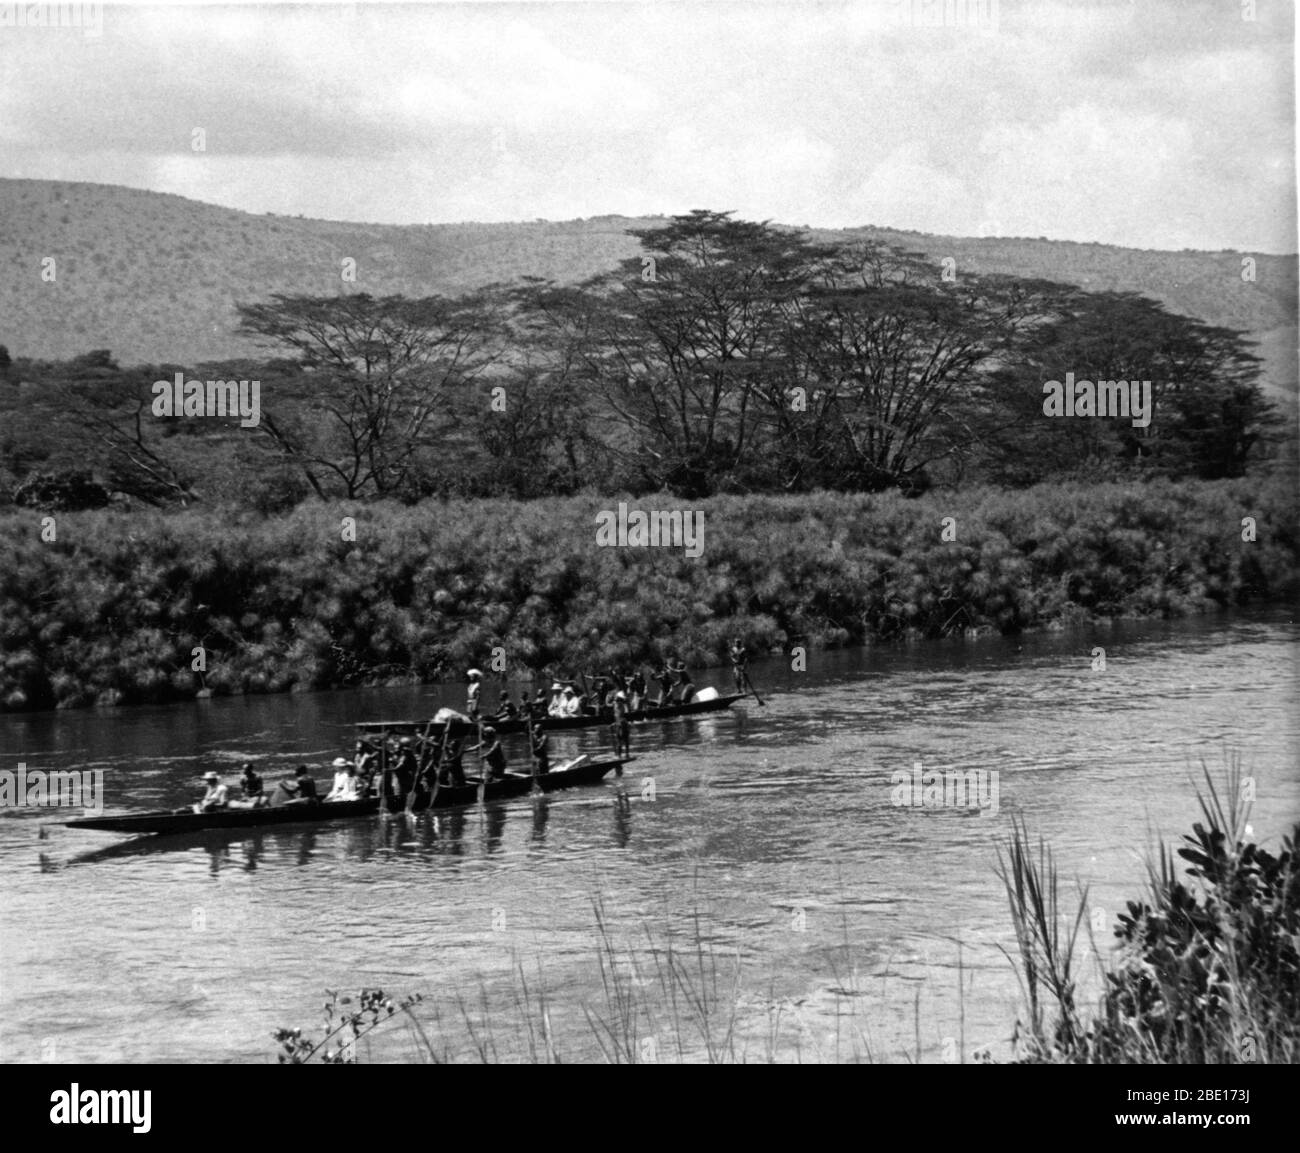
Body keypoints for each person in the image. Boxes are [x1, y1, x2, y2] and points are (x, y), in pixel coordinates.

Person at [611, 690, 631, 758]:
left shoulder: (619, 705)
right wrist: (617, 723)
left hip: (621, 724)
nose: (616, 701)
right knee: (621, 741)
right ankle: (620, 755)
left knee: (623, 740)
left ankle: (625, 754)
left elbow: (619, 715)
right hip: (619, 724)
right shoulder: (617, 705)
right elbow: (617, 715)